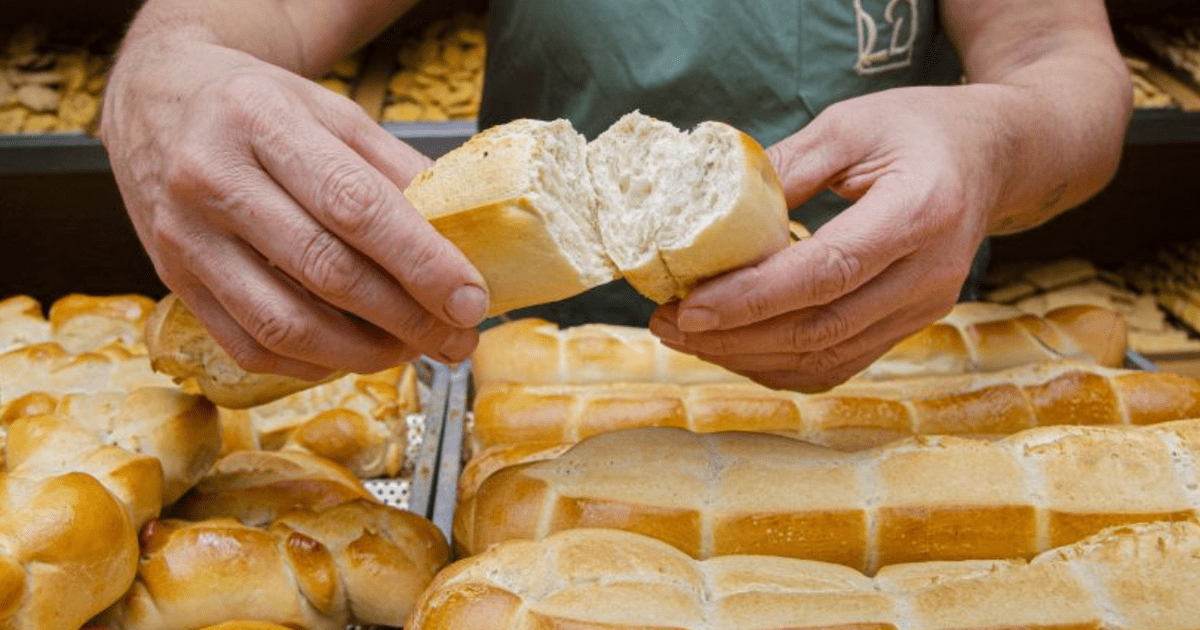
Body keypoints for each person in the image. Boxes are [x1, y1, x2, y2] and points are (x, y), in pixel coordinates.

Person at [99, 0, 1132, 393]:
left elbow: (1061, 57)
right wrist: (168, 70)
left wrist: (999, 141)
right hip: (525, 381)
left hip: (900, 365)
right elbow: (251, 14)